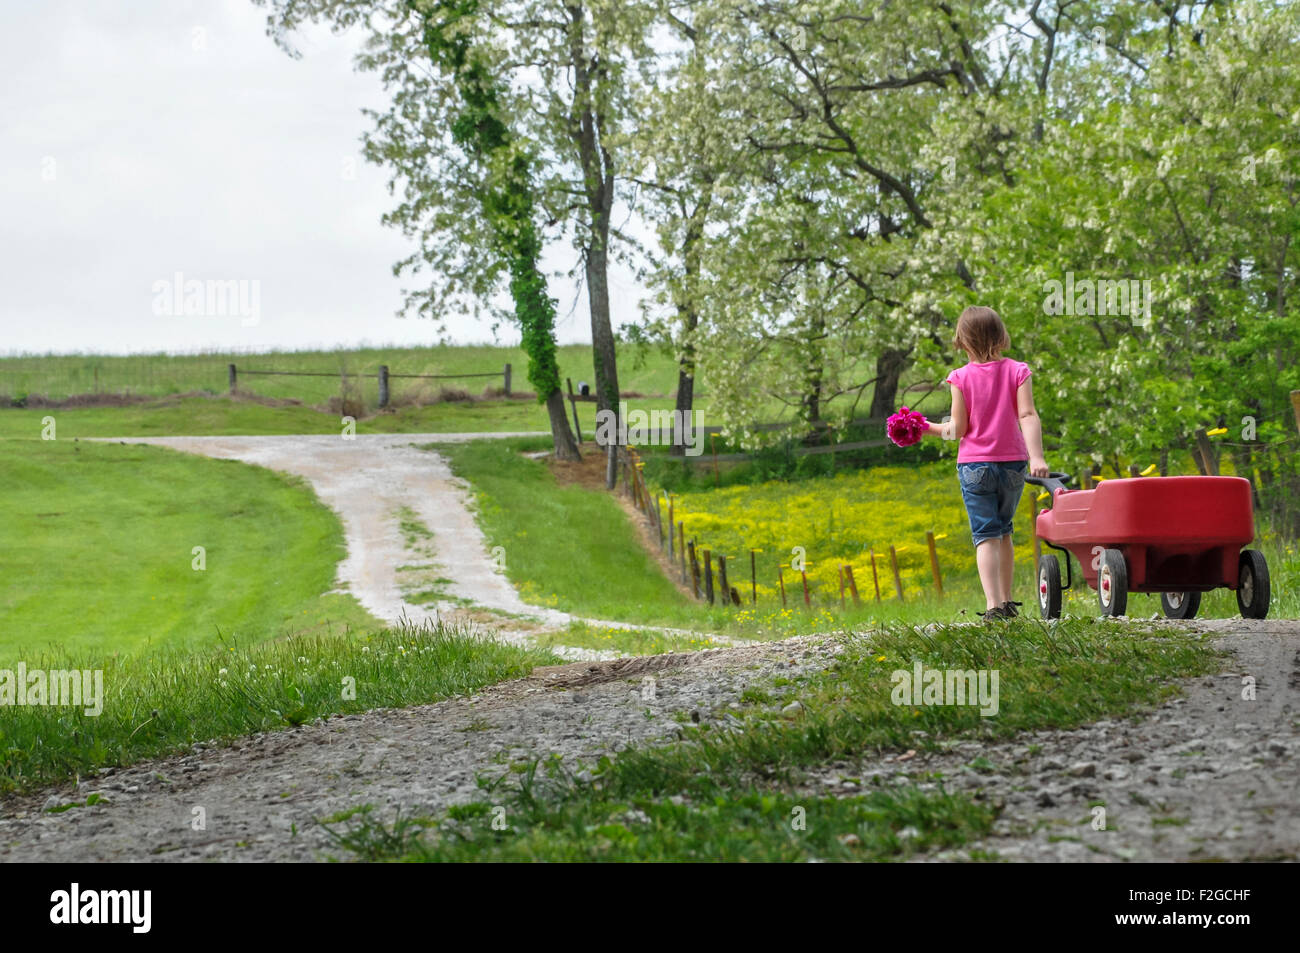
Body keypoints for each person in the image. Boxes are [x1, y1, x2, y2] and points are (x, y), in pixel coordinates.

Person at [923, 306, 1050, 620]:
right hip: (1013, 465)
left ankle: (994, 606)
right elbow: (1028, 415)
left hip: (974, 466)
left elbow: (958, 430)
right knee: (1004, 532)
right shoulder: (1018, 371)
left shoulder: (960, 378)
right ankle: (1007, 602)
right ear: (1001, 336)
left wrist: (927, 427)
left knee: (985, 535)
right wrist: (1037, 457)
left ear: (963, 342)